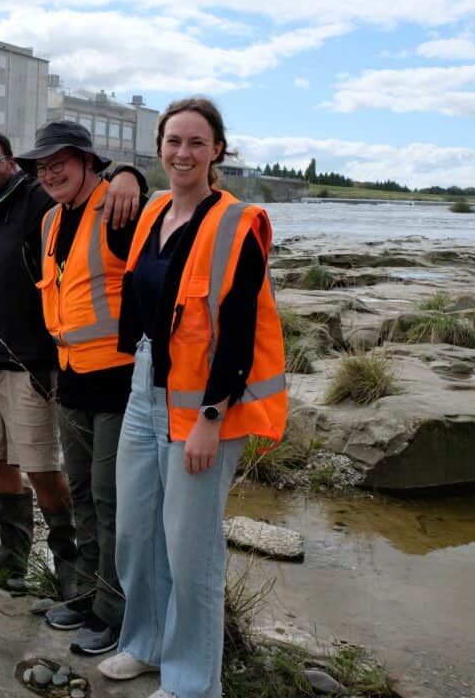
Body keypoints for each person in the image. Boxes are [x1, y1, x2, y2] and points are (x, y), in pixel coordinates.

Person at [98, 97, 287, 698]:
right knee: (137, 535)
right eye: (173, 141)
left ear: (217, 151)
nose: (183, 153)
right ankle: (146, 644)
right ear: (159, 147)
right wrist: (120, 174)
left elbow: (238, 329)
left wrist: (211, 418)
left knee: (190, 550)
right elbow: (104, 209)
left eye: (196, 142)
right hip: (145, 390)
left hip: (205, 404)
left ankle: (192, 683)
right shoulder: (154, 210)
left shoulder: (237, 223)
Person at [0, 129, 142, 621]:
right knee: (9, 461)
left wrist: (129, 174)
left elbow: (140, 212)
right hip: (11, 362)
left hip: (55, 367)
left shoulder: (38, 200)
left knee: (62, 475)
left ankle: (79, 578)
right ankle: (20, 557)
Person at [17, 120, 147, 657]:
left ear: (89, 162)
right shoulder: (51, 219)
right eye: (42, 167)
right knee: (85, 496)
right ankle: (90, 595)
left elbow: (169, 218)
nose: (49, 174)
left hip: (119, 381)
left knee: (111, 501)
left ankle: (115, 615)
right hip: (71, 378)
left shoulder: (119, 208)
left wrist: (132, 174)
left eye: (59, 163)